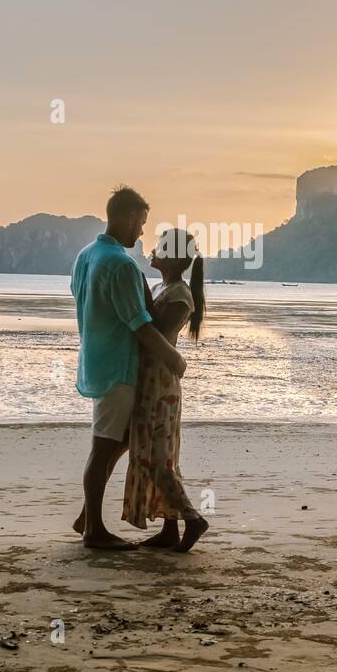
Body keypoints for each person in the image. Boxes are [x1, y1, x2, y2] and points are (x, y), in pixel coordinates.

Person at [70, 187, 186, 549]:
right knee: (103, 448)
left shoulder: (86, 256)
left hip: (94, 360)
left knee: (118, 441)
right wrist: (172, 357)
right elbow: (140, 324)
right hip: (119, 367)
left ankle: (87, 518)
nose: (142, 234)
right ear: (129, 217)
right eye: (141, 224)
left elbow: (82, 300)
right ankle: (94, 531)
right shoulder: (120, 264)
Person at [121, 227, 209, 553]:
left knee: (159, 460)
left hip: (161, 384)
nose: (152, 251)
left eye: (159, 247)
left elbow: (156, 333)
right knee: (153, 455)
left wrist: (139, 287)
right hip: (151, 381)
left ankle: (193, 518)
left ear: (171, 256)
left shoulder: (180, 296)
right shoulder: (166, 288)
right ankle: (170, 530)